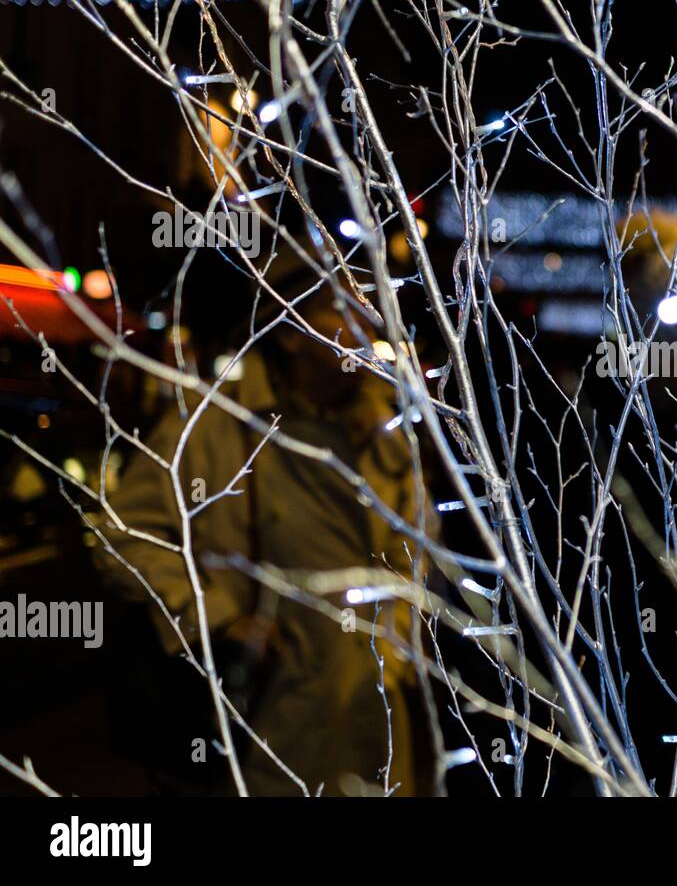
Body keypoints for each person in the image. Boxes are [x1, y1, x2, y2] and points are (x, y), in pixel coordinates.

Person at [94, 250, 433, 795]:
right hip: (267, 728)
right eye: (339, 311)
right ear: (292, 332)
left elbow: (416, 547)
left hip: (375, 724)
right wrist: (217, 618)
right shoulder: (218, 426)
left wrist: (397, 653)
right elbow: (126, 537)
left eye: (365, 312)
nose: (361, 329)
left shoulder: (383, 428)